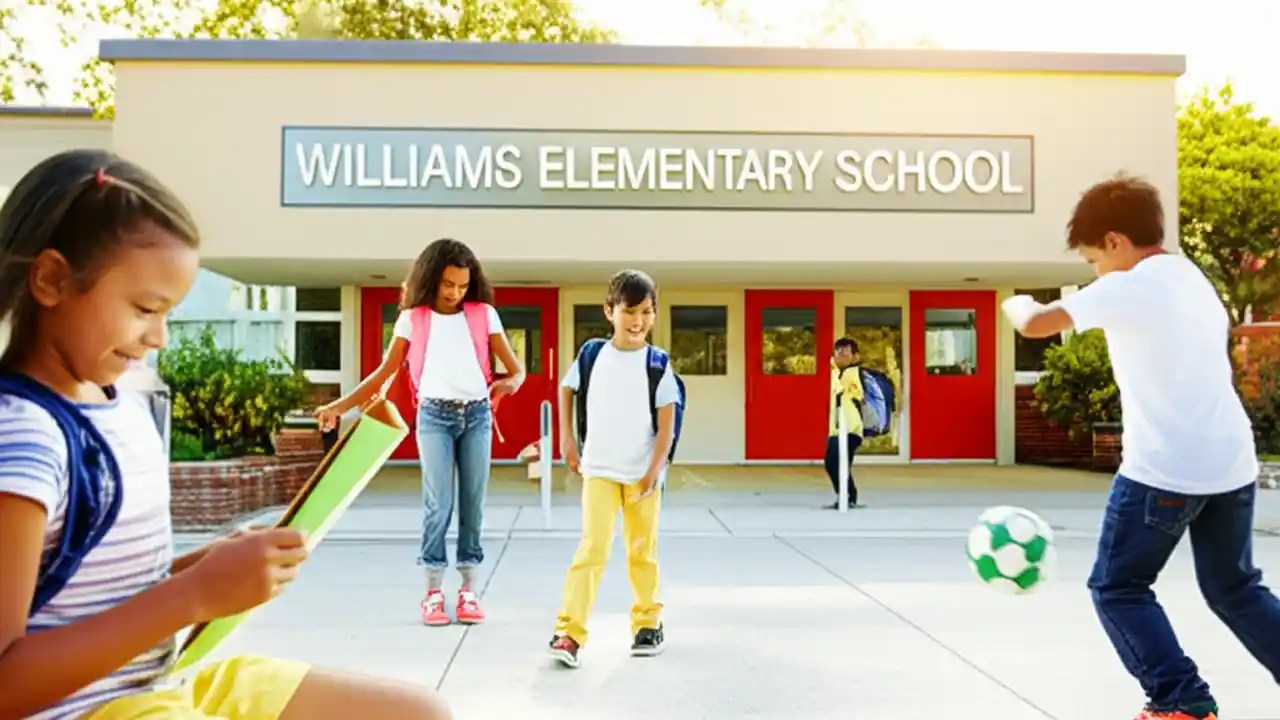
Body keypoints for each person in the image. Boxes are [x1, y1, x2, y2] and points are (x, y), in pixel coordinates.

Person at [0, 149, 451, 720]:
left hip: (159, 684)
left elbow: (91, 596)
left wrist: (207, 567)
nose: (159, 337)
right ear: (51, 280)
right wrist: (191, 595)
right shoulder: (24, 438)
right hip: (85, 709)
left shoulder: (121, 405)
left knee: (418, 713)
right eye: (144, 308)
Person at [1002, 173, 1279, 720]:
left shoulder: (1127, 285)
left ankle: (1181, 700)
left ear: (1114, 242)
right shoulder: (1191, 276)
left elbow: (1035, 324)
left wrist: (1014, 301)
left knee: (1117, 587)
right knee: (1235, 588)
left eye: (1092, 260)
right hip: (1230, 464)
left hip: (1164, 471)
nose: (1096, 272)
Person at [316, 238, 524, 627]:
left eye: (462, 286)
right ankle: (432, 591)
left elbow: (517, 369)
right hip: (434, 417)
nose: (455, 293)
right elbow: (384, 373)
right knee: (437, 504)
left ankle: (468, 590)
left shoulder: (484, 314)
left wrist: (509, 384)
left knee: (472, 504)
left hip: (477, 416)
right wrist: (338, 408)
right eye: (448, 285)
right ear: (431, 279)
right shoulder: (413, 318)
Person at [548, 269, 679, 668]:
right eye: (628, 311)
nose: (637, 321)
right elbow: (566, 389)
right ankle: (570, 633)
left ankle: (647, 624)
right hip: (600, 470)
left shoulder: (657, 363)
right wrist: (567, 440)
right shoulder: (592, 354)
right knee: (593, 547)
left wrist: (654, 470)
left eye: (646, 311)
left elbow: (667, 420)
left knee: (642, 551)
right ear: (609, 311)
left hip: (642, 476)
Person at [826, 337, 865, 509]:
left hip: (851, 427)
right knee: (833, 463)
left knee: (837, 462)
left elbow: (848, 391)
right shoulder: (835, 372)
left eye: (846, 351)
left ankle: (848, 496)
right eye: (838, 351)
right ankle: (847, 495)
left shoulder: (854, 373)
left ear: (854, 356)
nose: (841, 354)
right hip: (837, 428)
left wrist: (835, 371)